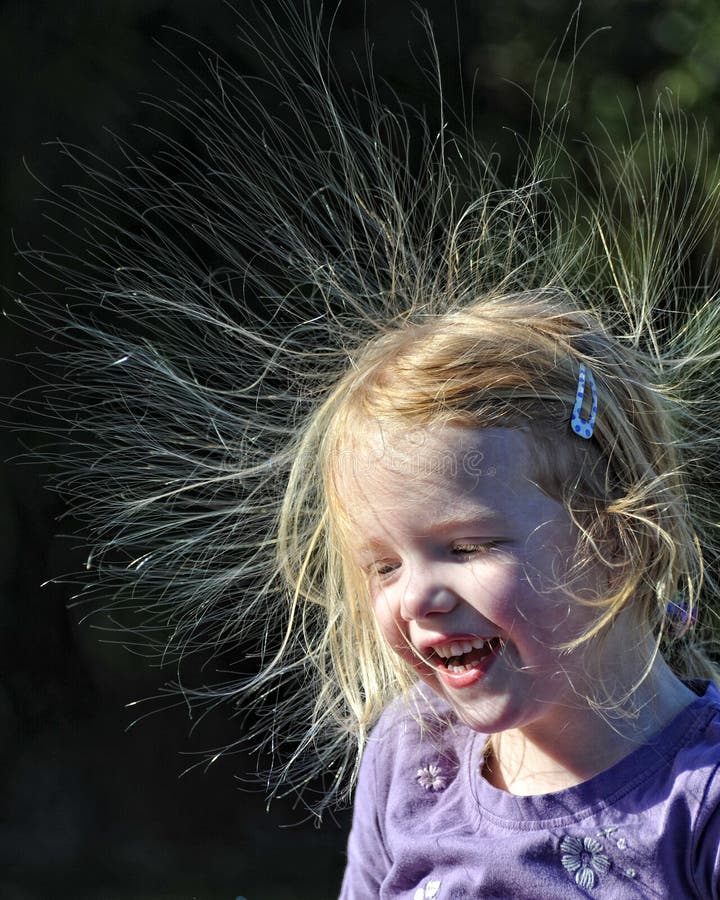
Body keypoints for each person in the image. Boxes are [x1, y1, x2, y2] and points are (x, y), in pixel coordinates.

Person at [15, 3, 720, 896]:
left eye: (467, 547)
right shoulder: (414, 759)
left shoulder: (696, 801)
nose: (417, 595)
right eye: (382, 564)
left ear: (616, 533)